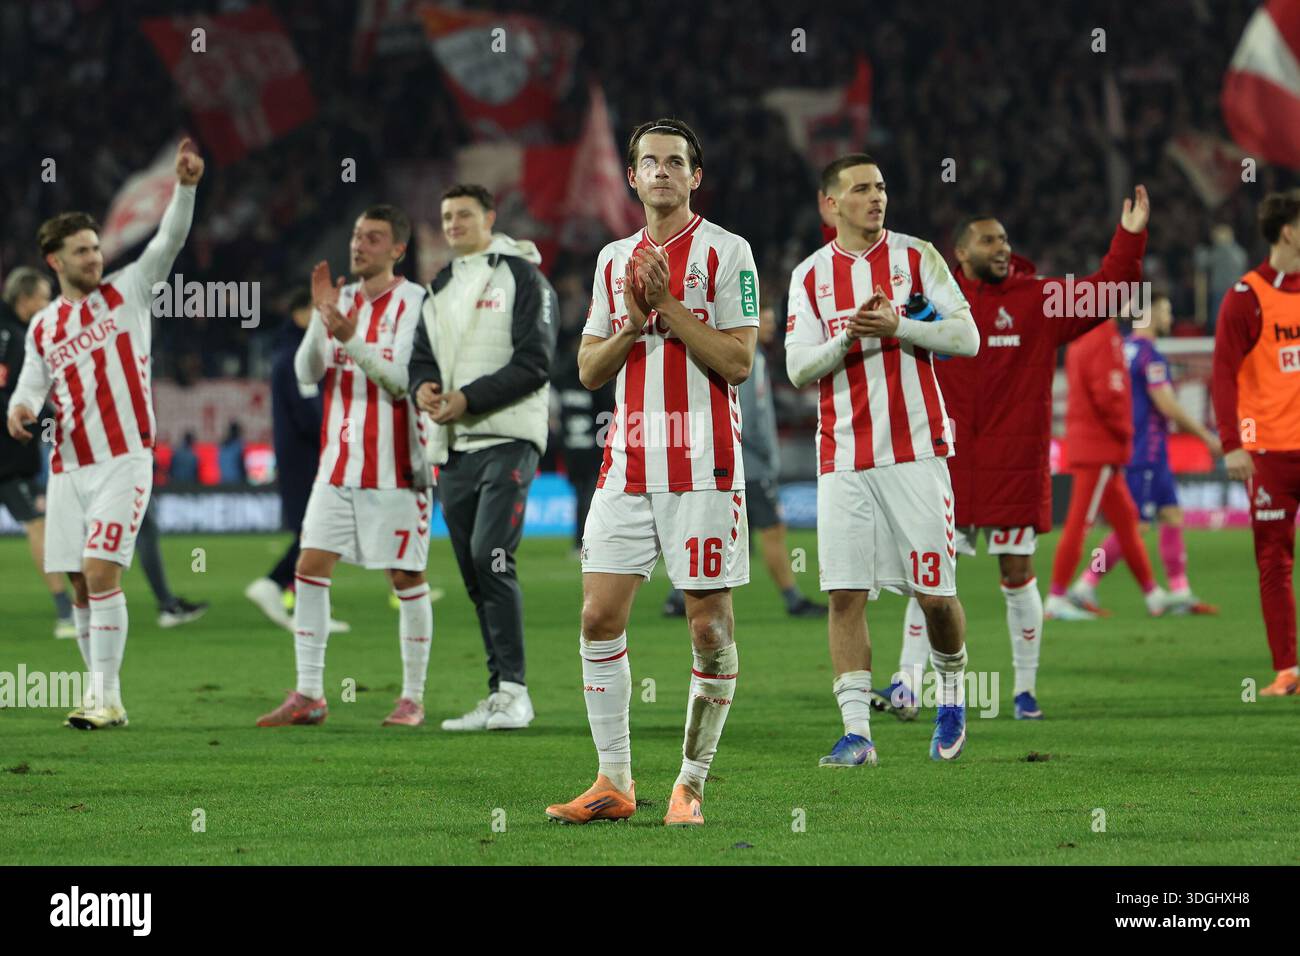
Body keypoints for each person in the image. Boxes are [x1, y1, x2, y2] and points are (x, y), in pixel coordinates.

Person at [544, 118, 757, 827]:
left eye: (675, 162)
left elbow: (738, 362)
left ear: (696, 176)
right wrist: (635, 323)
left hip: (704, 465)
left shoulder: (730, 252)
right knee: (598, 615)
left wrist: (667, 306)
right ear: (631, 178)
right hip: (627, 464)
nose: (661, 172)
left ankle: (690, 784)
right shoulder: (611, 261)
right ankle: (613, 781)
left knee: (707, 630)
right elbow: (586, 367)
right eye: (649, 162)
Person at [895, 188, 1152, 721]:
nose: (1002, 247)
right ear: (959, 254)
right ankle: (907, 686)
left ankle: (1025, 692)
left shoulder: (1038, 299)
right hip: (949, 466)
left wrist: (1128, 238)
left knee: (1017, 573)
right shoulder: (934, 305)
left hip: (1015, 468)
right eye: (988, 240)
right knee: (930, 577)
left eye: (1005, 239)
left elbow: (1111, 291)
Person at [785, 152, 980, 767]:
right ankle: (857, 734)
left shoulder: (917, 256)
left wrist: (899, 327)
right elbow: (795, 368)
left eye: (882, 187)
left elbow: (967, 338)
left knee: (936, 596)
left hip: (916, 452)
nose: (877, 198)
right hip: (841, 456)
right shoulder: (810, 276)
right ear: (830, 203)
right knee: (845, 594)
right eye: (862, 189)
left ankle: (950, 695)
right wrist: (846, 337)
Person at [6, 138, 204, 730]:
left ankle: (106, 697)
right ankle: (102, 697)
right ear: (55, 262)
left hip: (124, 459)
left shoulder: (130, 290)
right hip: (67, 466)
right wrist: (18, 412)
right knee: (77, 586)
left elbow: (169, 239)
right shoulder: (43, 326)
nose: (95, 258)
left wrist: (186, 188)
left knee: (100, 574)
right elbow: (27, 388)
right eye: (82, 251)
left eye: (96, 247)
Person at [256, 205, 433, 728]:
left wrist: (351, 336)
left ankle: (412, 698)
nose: (360, 245)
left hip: (398, 466)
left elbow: (401, 380)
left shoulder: (416, 304)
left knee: (405, 576)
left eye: (374, 238)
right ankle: (309, 693)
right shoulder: (343, 299)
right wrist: (322, 318)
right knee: (308, 569)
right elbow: (307, 373)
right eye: (357, 236)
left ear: (398, 249)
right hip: (337, 466)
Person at [408, 183, 557, 732]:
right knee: (474, 568)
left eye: (464, 214)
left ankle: (515, 692)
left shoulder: (523, 276)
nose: (453, 224)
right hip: (452, 446)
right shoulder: (439, 288)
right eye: (446, 216)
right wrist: (422, 386)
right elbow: (420, 359)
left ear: (490, 218)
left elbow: (537, 360)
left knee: (492, 554)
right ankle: (501, 693)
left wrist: (467, 399)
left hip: (508, 436)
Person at [662, 301, 825, 618]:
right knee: (772, 529)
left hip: (731, 458)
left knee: (718, 529)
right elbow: (750, 415)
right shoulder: (750, 358)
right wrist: (767, 454)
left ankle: (676, 596)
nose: (770, 326)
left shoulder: (738, 353)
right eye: (765, 319)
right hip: (750, 461)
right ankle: (792, 598)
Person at [1069, 292, 1222, 614]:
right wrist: (1206, 436)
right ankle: (1085, 584)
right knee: (1133, 526)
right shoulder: (1150, 355)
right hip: (1144, 453)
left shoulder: (1121, 348)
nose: (1169, 318)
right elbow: (1166, 405)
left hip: (1146, 451)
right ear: (1148, 314)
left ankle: (1180, 592)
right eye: (1165, 311)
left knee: (1171, 515)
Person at [1213, 188, 1300, 697]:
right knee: (1274, 563)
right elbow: (1223, 376)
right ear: (1287, 231)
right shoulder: (1246, 297)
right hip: (1267, 455)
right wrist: (1232, 444)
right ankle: (1287, 670)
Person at [1047, 312, 1169, 620]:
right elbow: (1108, 395)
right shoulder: (1103, 337)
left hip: (1094, 446)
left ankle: (1153, 594)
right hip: (1099, 448)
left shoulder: (1081, 337)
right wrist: (1127, 431)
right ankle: (1056, 597)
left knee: (1127, 523)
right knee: (1080, 523)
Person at [244, 289, 349, 634]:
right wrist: (335, 432)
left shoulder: (287, 352)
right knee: (319, 532)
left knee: (317, 532)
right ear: (301, 313)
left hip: (298, 456)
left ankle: (306, 607)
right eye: (319, 313)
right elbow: (308, 414)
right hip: (306, 457)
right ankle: (274, 583)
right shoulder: (295, 355)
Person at [0, 266, 76, 638]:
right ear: (25, 299)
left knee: (39, 525)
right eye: (45, 298)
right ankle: (65, 612)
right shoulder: (11, 337)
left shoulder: (18, 334)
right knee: (37, 526)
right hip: (7, 458)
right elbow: (8, 394)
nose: (49, 305)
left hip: (12, 454)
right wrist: (50, 414)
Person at [553, 324, 614, 557]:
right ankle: (587, 541)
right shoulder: (597, 381)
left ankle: (582, 540)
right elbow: (607, 412)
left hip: (571, 448)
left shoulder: (562, 379)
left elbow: (559, 414)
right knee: (590, 496)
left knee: (582, 495)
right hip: (592, 448)